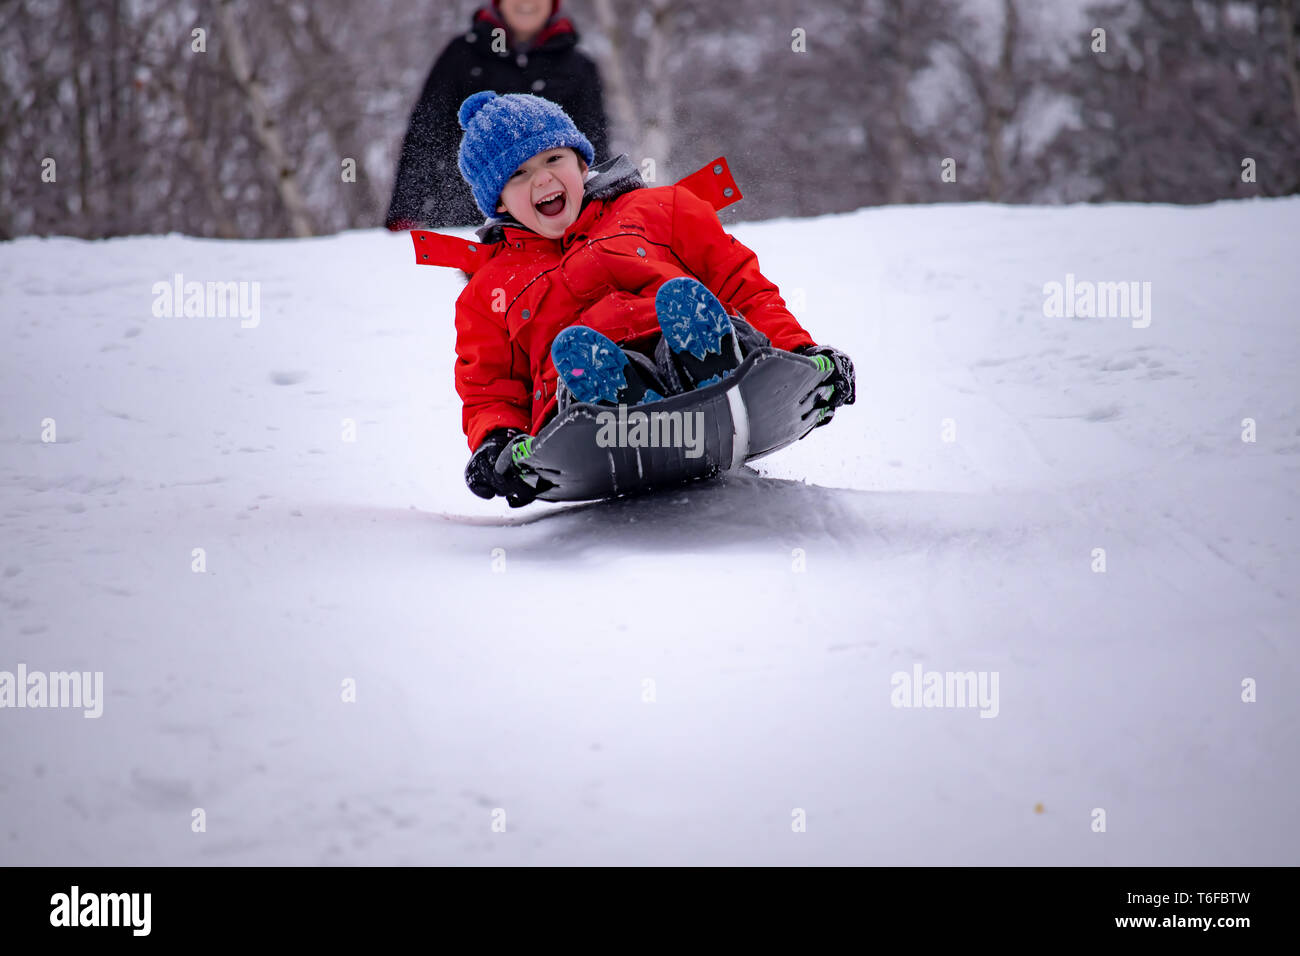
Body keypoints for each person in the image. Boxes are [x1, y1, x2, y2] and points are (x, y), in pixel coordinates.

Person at [448, 92, 856, 505]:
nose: (542, 179)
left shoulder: (658, 210)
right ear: (498, 201)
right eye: (518, 174)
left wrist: (801, 352)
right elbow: (489, 387)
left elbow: (741, 285)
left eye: (553, 160)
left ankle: (710, 369)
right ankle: (617, 399)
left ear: (581, 163)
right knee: (576, 356)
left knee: (690, 310)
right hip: (578, 405)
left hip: (688, 341)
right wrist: (497, 440)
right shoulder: (489, 291)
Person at [385, 0, 609, 230]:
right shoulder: (461, 56)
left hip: (556, 218)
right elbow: (426, 135)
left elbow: (593, 140)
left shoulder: (579, 66)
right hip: (463, 221)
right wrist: (405, 212)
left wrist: (597, 204)